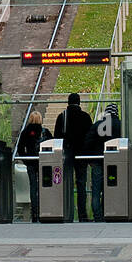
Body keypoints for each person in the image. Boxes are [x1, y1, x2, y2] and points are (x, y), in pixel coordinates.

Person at [54, 93, 92, 222]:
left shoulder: (62, 117)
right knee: (81, 185)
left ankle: (67, 213)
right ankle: (83, 215)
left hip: (67, 155)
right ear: (79, 102)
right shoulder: (85, 117)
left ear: (68, 102)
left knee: (66, 183)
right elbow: (89, 136)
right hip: (82, 155)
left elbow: (56, 138)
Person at [83, 103, 121, 222]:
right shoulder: (120, 125)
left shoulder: (97, 125)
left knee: (96, 190)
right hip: (114, 162)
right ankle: (108, 213)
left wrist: (89, 159)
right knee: (110, 187)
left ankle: (97, 217)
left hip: (97, 161)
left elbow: (87, 142)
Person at [15, 111, 51, 223]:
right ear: (40, 119)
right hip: (43, 163)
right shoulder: (45, 132)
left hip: (31, 163)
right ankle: (44, 211)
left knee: (33, 187)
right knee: (44, 187)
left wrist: (26, 160)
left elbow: (20, 148)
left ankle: (34, 213)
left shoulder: (25, 132)